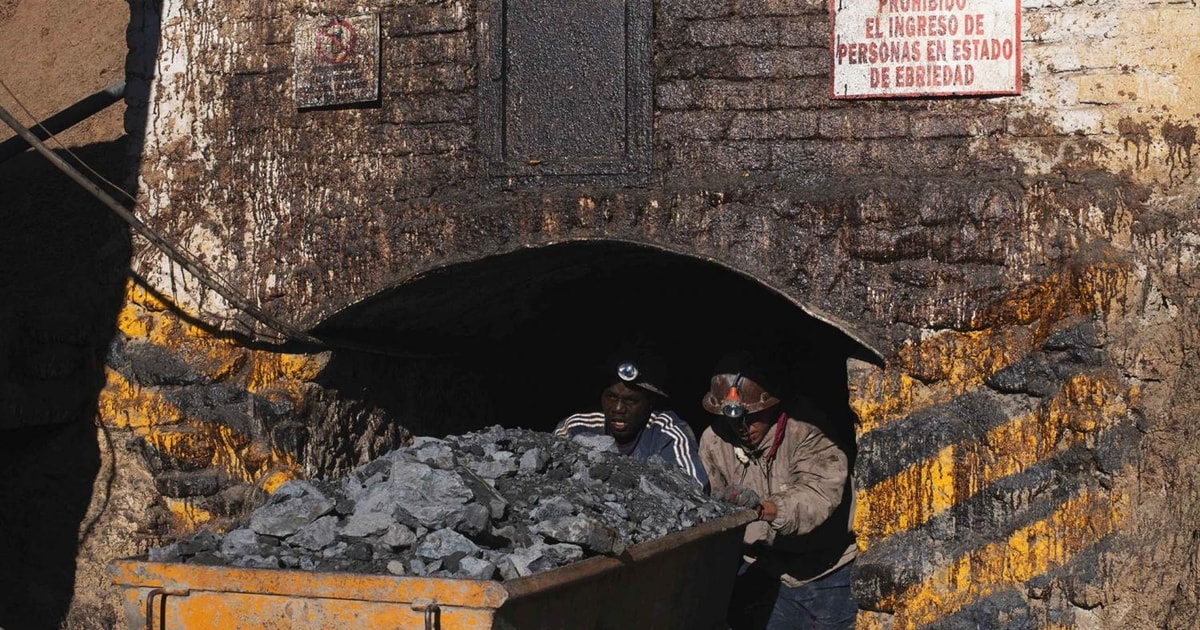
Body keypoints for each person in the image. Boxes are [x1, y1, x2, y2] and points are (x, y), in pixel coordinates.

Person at [699, 351, 857, 629]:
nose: (742, 427)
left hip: (827, 571)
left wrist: (763, 509)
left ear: (774, 405)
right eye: (733, 418)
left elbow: (817, 495)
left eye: (753, 416)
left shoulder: (807, 430)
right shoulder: (714, 441)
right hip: (766, 569)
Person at [555, 350, 708, 488]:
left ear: (651, 402)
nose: (618, 408)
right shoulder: (578, 426)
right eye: (611, 397)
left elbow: (695, 487)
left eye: (630, 401)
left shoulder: (667, 432)